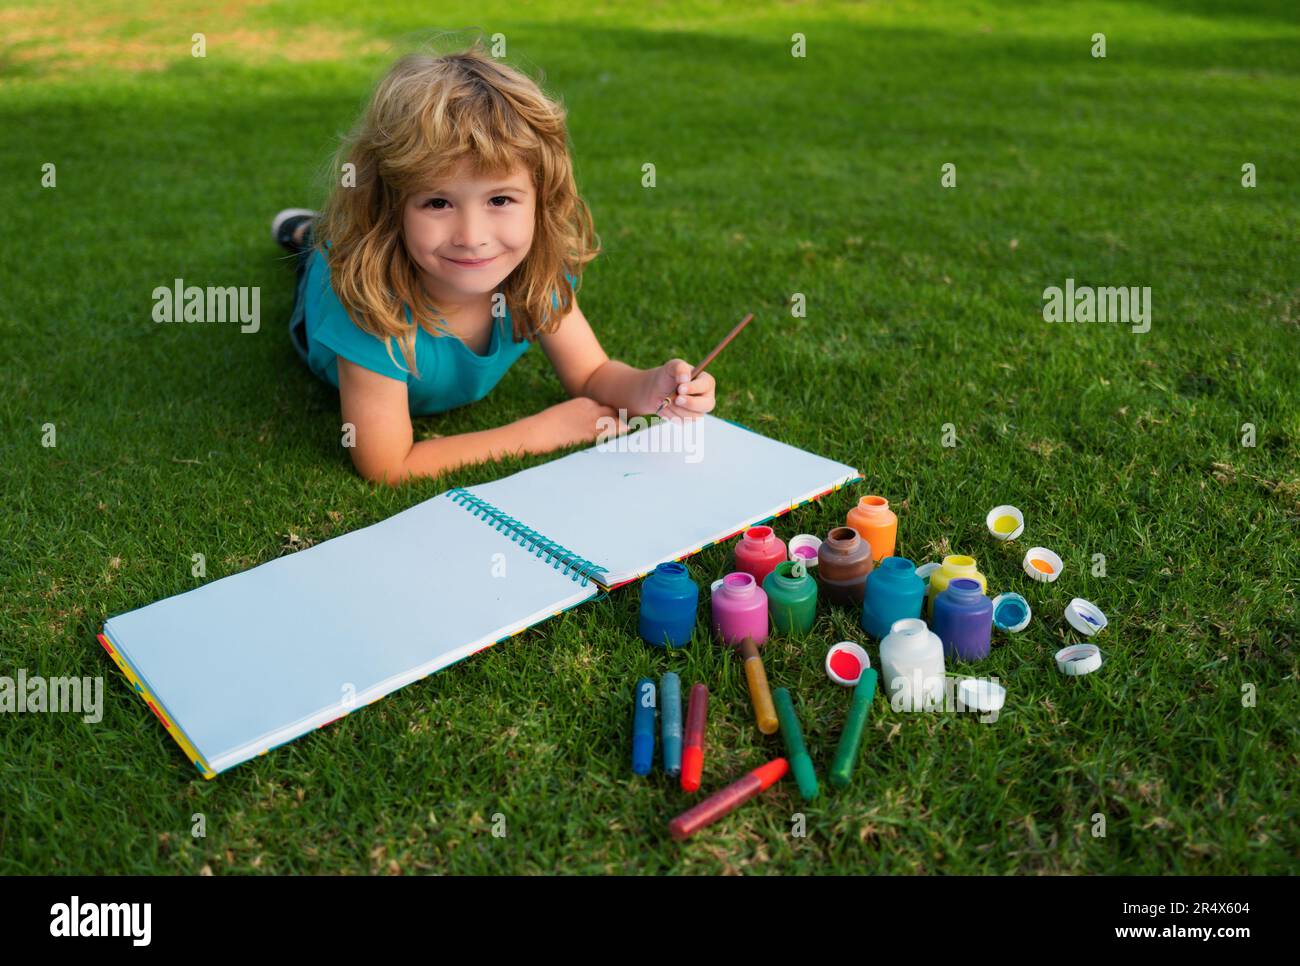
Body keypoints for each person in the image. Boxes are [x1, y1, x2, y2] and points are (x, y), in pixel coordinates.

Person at [272, 43, 715, 485]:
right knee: (319, 252)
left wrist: (652, 387)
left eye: (500, 199)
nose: (472, 236)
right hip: (329, 280)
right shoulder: (368, 306)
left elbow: (593, 374)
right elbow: (388, 464)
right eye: (438, 202)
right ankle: (305, 234)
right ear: (389, 209)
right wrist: (543, 431)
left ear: (541, 200)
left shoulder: (535, 275)